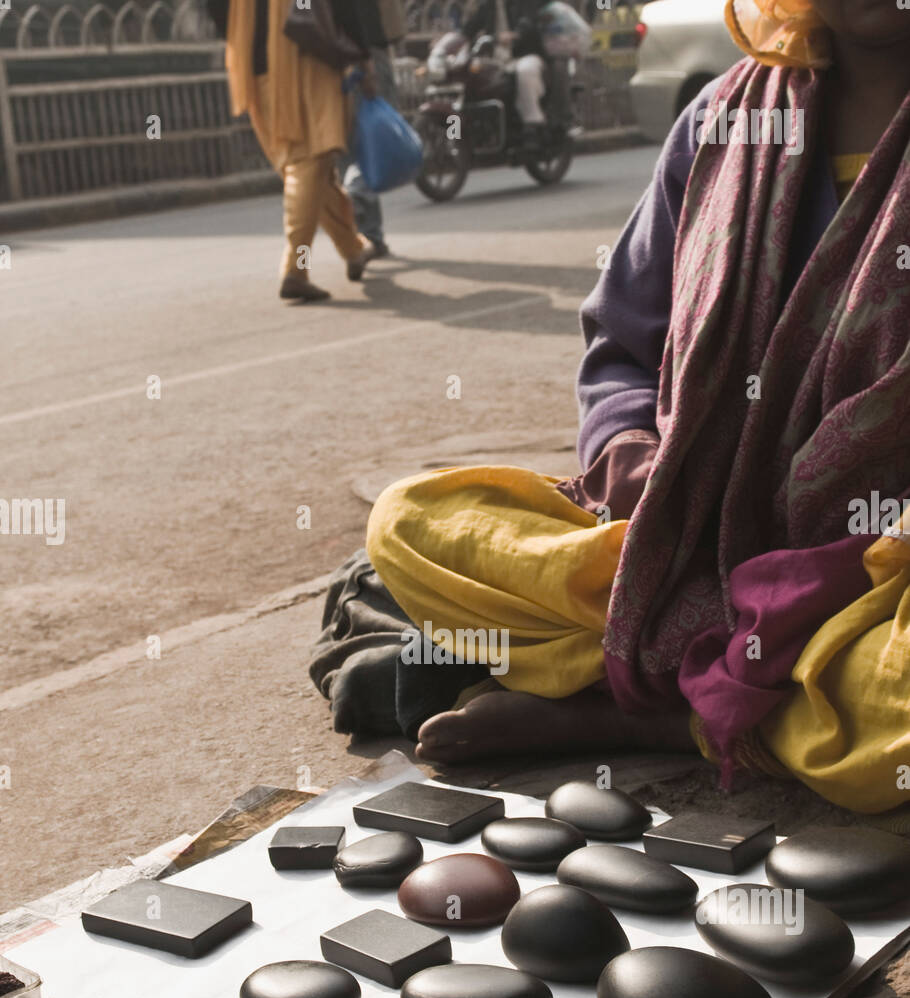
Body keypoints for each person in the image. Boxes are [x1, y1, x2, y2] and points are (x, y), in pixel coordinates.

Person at [361, 0, 910, 815]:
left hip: (874, 572)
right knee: (410, 523)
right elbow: (623, 342)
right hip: (684, 546)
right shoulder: (725, 120)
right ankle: (742, 686)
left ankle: (656, 714)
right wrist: (629, 452)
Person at [208, 0, 378, 302]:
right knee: (309, 161)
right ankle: (296, 269)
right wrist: (363, 54)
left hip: (255, 57)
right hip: (307, 52)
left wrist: (243, 30)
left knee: (310, 165)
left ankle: (352, 248)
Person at [336, 0, 407, 259]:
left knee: (349, 144)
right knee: (367, 142)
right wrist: (366, 64)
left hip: (329, 53)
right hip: (362, 48)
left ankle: (366, 235)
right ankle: (366, 229)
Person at [463, 0, 549, 133]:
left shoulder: (526, 3)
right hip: (495, 60)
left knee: (525, 71)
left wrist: (515, 34)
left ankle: (532, 122)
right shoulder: (488, 5)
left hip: (524, 55)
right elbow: (468, 29)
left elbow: (528, 21)